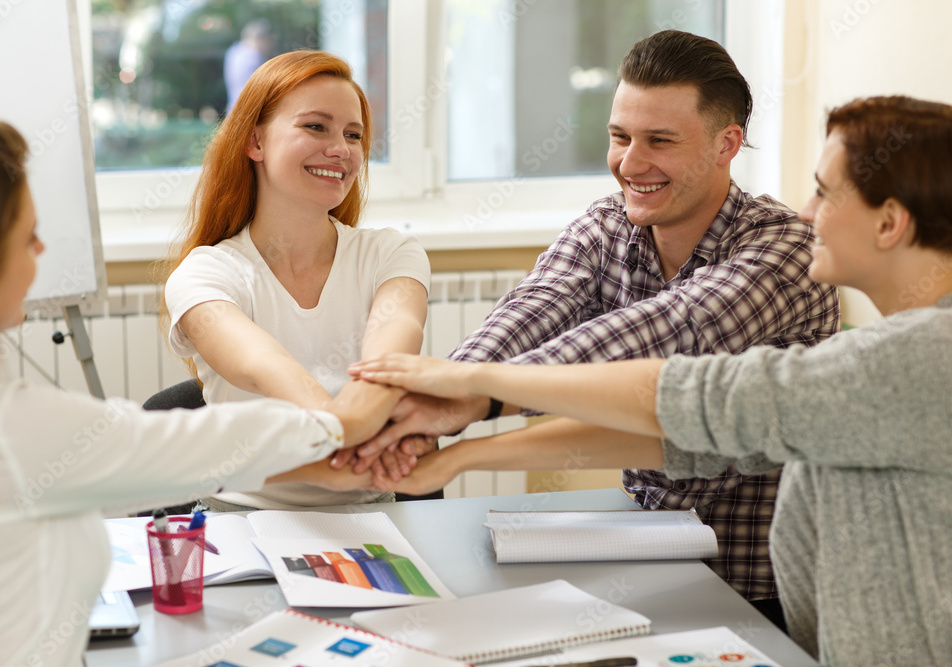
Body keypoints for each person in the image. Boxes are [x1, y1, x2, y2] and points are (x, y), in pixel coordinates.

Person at [351, 95, 952, 665]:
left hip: (765, 601)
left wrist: (476, 388)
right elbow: (697, 436)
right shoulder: (901, 350)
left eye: (825, 193)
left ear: (890, 223)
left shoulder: (914, 352)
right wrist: (463, 448)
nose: (808, 212)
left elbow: (685, 376)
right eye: (620, 136)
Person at [348, 30, 839, 620]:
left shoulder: (786, 247)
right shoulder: (609, 224)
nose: (630, 164)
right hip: (651, 552)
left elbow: (665, 334)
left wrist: (474, 396)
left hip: (766, 585)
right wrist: (439, 392)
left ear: (726, 144)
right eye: (619, 137)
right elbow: (532, 308)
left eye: (659, 140)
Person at [0, 115, 389, 667]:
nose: (40, 249)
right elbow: (192, 444)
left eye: (354, 134)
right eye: (25, 233)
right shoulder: (1, 429)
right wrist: (341, 425)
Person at [164, 50, 430, 511]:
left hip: (370, 514)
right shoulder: (205, 272)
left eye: (354, 135)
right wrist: (344, 430)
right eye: (315, 126)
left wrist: (345, 433)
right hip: (243, 518)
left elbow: (388, 359)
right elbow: (263, 366)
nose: (341, 149)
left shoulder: (392, 253)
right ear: (255, 142)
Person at [224, 19, 275, 113]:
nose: (271, 45)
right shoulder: (254, 57)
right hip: (249, 113)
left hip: (235, 110)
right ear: (262, 39)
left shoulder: (234, 51)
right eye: (270, 40)